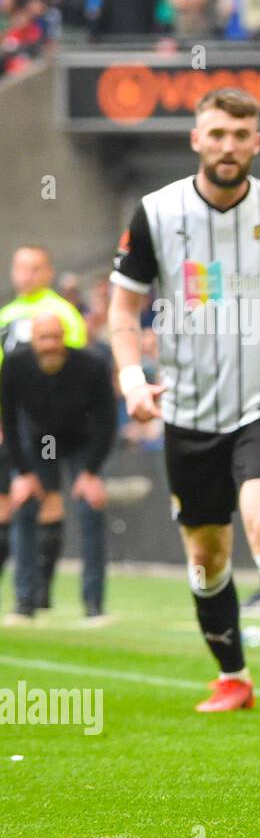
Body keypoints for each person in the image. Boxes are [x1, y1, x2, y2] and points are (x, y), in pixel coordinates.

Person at [106, 87, 260, 717]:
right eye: (216, 133)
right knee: (206, 553)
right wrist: (133, 379)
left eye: (240, 135)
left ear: (257, 143)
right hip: (186, 412)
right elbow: (123, 308)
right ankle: (233, 677)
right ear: (196, 138)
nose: (228, 146)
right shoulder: (155, 215)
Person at [0, 313, 116, 621]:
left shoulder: (91, 365)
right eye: (43, 338)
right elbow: (9, 420)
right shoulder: (14, 365)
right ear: (33, 340)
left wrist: (91, 472)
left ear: (64, 337)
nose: (50, 345)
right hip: (42, 441)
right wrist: (23, 474)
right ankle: (24, 602)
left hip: (81, 439)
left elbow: (107, 421)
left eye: (55, 337)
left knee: (90, 510)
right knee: (24, 508)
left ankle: (94, 605)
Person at [0, 245, 91, 613]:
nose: (27, 275)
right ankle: (23, 593)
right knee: (8, 506)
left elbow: (74, 372)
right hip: (8, 425)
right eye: (20, 268)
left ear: (49, 271)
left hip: (47, 429)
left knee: (43, 500)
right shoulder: (5, 316)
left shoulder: (63, 314)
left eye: (35, 268)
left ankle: (38, 592)